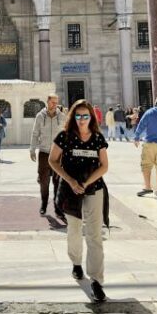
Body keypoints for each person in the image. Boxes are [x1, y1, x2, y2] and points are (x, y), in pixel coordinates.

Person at [49, 99, 109, 303]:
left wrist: (85, 182)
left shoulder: (98, 138)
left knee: (94, 236)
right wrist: (72, 181)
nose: (82, 120)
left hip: (93, 189)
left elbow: (104, 166)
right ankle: (76, 262)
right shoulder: (64, 136)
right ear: (72, 117)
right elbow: (52, 160)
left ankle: (97, 281)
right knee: (74, 230)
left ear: (91, 117)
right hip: (70, 190)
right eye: (78, 115)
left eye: (86, 116)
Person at [30, 94, 66, 216]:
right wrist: (32, 149)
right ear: (47, 102)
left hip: (58, 154)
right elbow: (35, 134)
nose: (54, 105)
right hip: (44, 153)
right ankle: (44, 204)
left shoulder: (62, 117)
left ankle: (57, 208)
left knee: (58, 182)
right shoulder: (40, 116)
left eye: (56, 103)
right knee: (44, 182)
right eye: (52, 102)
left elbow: (66, 134)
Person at [133, 95, 157, 197]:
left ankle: (148, 187)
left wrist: (136, 137)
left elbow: (141, 124)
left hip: (149, 143)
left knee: (146, 165)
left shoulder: (149, 112)